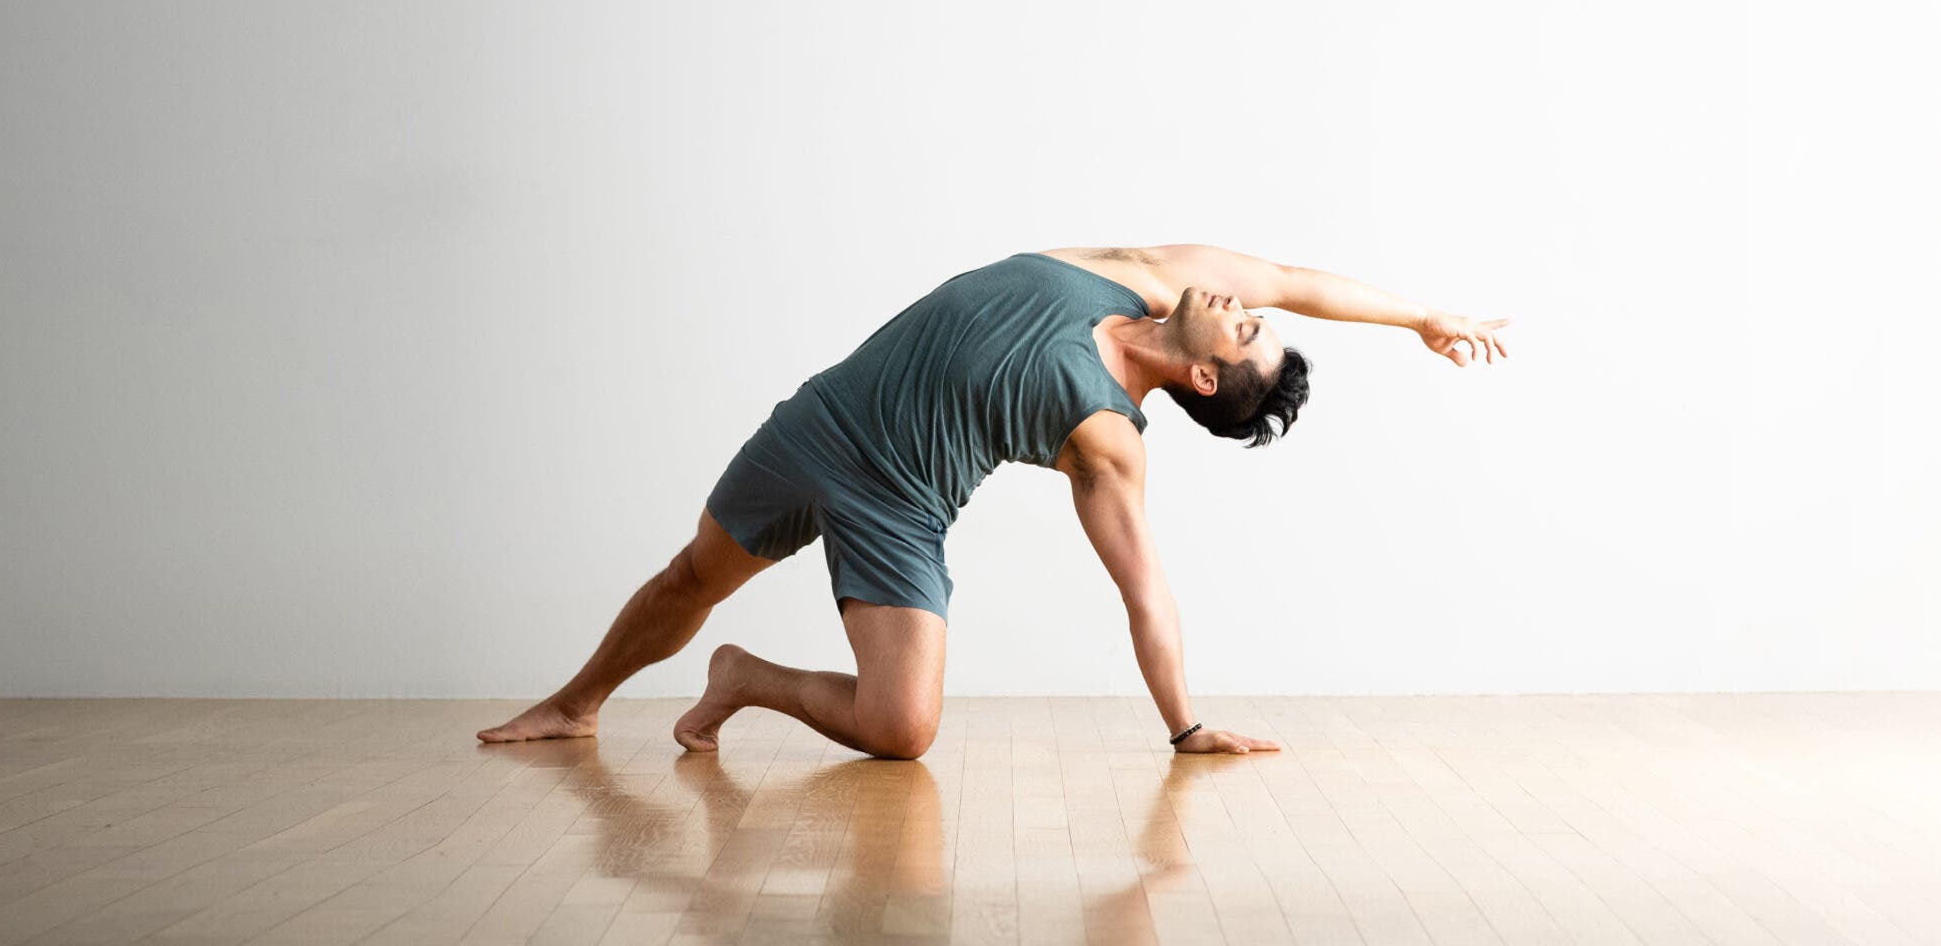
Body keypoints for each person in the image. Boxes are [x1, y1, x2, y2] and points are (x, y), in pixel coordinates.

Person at [474, 243, 1510, 759]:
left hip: (903, 506)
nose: (1239, 309)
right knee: (689, 574)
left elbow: (1144, 590)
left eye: (1240, 335)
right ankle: (576, 704)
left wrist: (1186, 729)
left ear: (1203, 380)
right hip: (821, 425)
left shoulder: (1107, 442)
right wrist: (1423, 314)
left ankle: (741, 678)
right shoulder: (1142, 277)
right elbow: (1288, 278)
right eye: (1245, 318)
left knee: (904, 727)